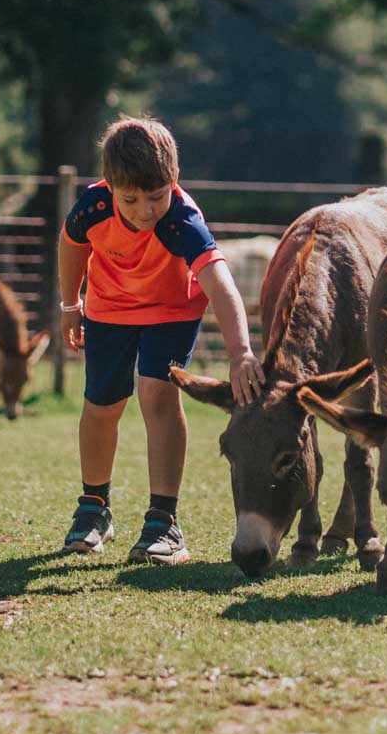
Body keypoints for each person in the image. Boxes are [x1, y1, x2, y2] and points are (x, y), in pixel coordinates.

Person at [57, 116, 264, 563]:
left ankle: (163, 522)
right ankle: (93, 508)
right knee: (101, 403)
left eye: (156, 196)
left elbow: (220, 283)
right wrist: (70, 305)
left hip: (171, 310)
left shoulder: (181, 221)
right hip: (110, 309)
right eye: (130, 199)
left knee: (157, 394)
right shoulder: (92, 208)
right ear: (110, 186)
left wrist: (241, 353)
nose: (145, 210)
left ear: (173, 181)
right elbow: (72, 242)